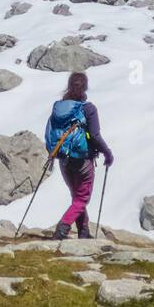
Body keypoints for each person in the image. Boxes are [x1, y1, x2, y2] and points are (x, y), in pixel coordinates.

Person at [44, 71, 114, 240]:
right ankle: (63, 228)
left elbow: (49, 132)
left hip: (63, 159)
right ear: (85, 87)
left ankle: (83, 232)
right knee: (82, 199)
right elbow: (95, 136)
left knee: (76, 197)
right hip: (83, 160)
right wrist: (108, 154)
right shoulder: (88, 108)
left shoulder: (59, 108)